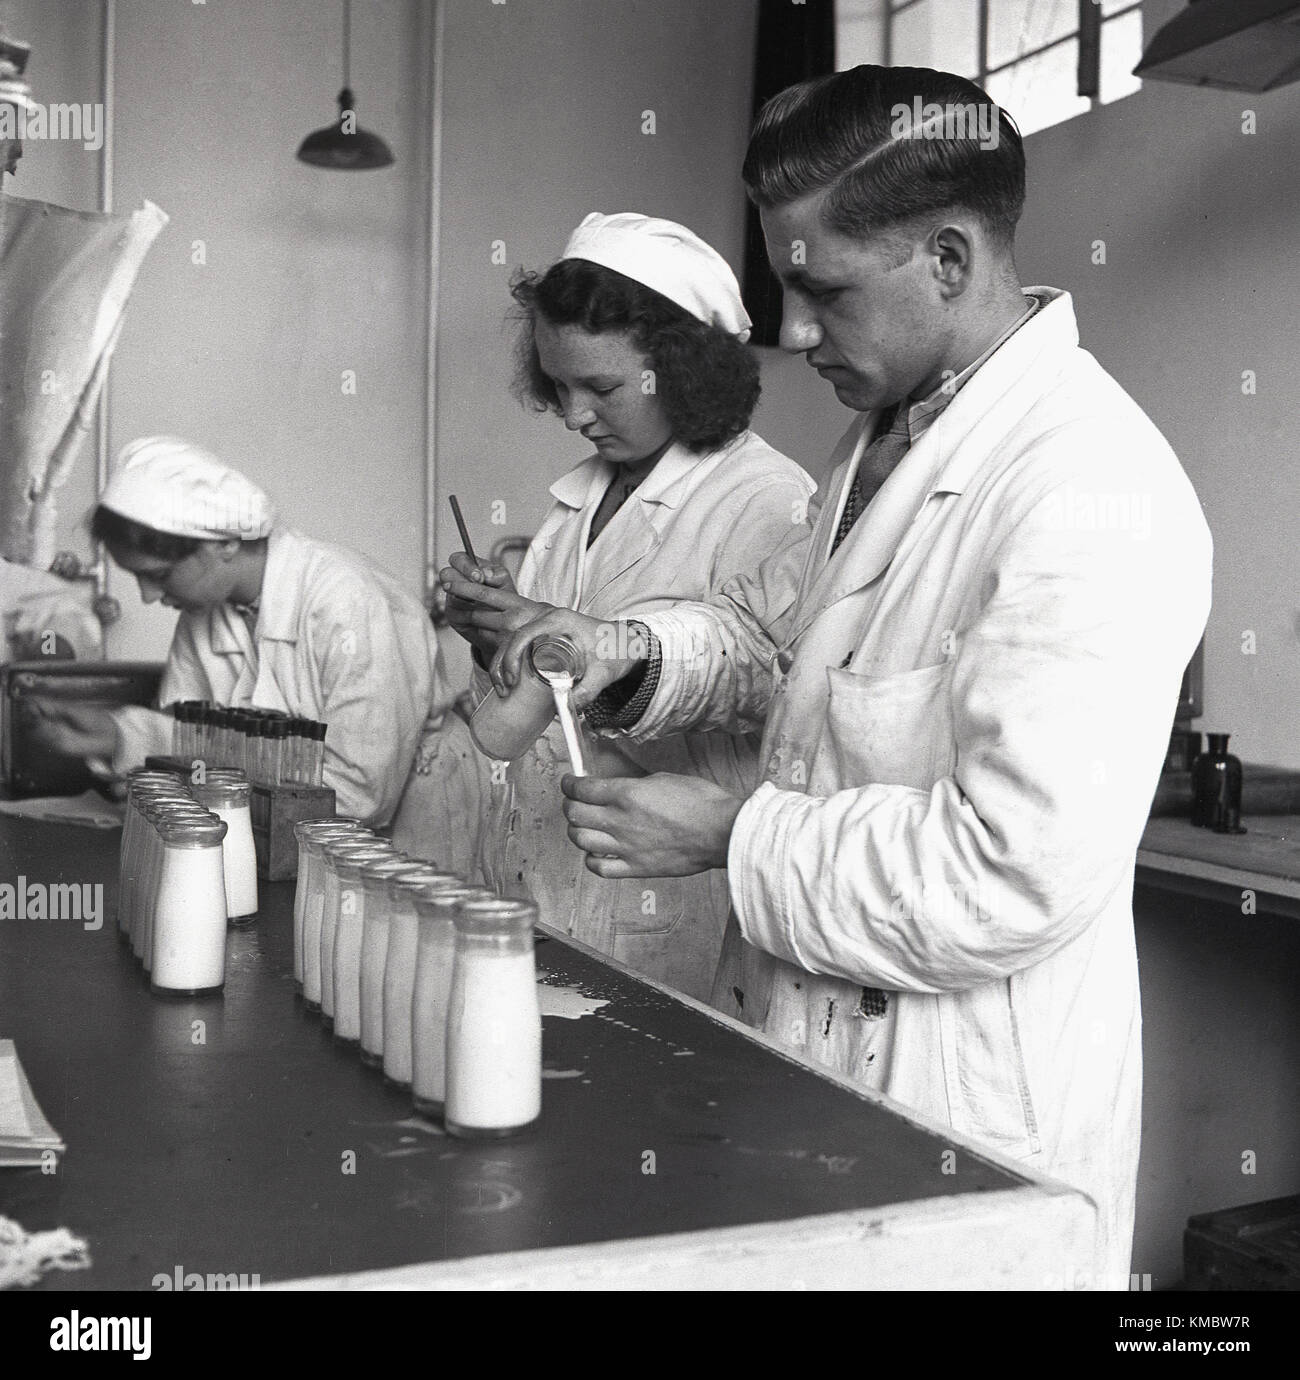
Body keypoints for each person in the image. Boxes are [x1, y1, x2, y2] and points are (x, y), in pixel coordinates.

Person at [491, 68, 1213, 1284]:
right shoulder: (886, 444)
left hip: (959, 1111)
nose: (798, 331)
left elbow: (1011, 872)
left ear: (945, 258)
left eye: (822, 289)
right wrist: (631, 647)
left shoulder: (1091, 490)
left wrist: (735, 836)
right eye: (786, 285)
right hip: (814, 1057)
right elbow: (773, 640)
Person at [439, 212, 814, 1002]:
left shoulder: (765, 501)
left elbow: (767, 691)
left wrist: (594, 661)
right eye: (559, 385)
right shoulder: (578, 501)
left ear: (683, 369)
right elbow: (518, 723)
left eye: (601, 388)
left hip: (661, 910)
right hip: (538, 877)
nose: (574, 414)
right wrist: (496, 639)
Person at [33, 436, 469, 841]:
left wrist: (212, 786)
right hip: (290, 833)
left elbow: (357, 797)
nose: (148, 597)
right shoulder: (204, 610)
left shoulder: (345, 601)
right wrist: (117, 735)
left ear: (221, 543)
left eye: (158, 575)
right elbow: (199, 744)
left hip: (412, 819)